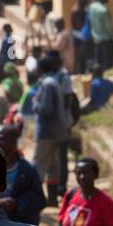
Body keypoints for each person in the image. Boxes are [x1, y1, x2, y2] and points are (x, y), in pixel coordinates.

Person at [32, 55, 71, 206]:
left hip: (46, 133)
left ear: (41, 68)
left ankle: (34, 198)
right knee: (54, 167)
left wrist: (35, 103)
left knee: (39, 166)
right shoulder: (53, 82)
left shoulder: (47, 84)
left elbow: (46, 109)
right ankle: (53, 199)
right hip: (58, 132)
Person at [0, 124, 46, 226]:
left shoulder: (27, 170)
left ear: (14, 142)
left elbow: (40, 200)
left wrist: (17, 204)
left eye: (1, 139)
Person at [87, 0, 113, 72]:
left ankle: (97, 74)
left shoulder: (91, 7)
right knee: (107, 59)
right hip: (106, 38)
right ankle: (107, 73)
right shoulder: (104, 10)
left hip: (96, 37)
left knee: (98, 59)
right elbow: (108, 26)